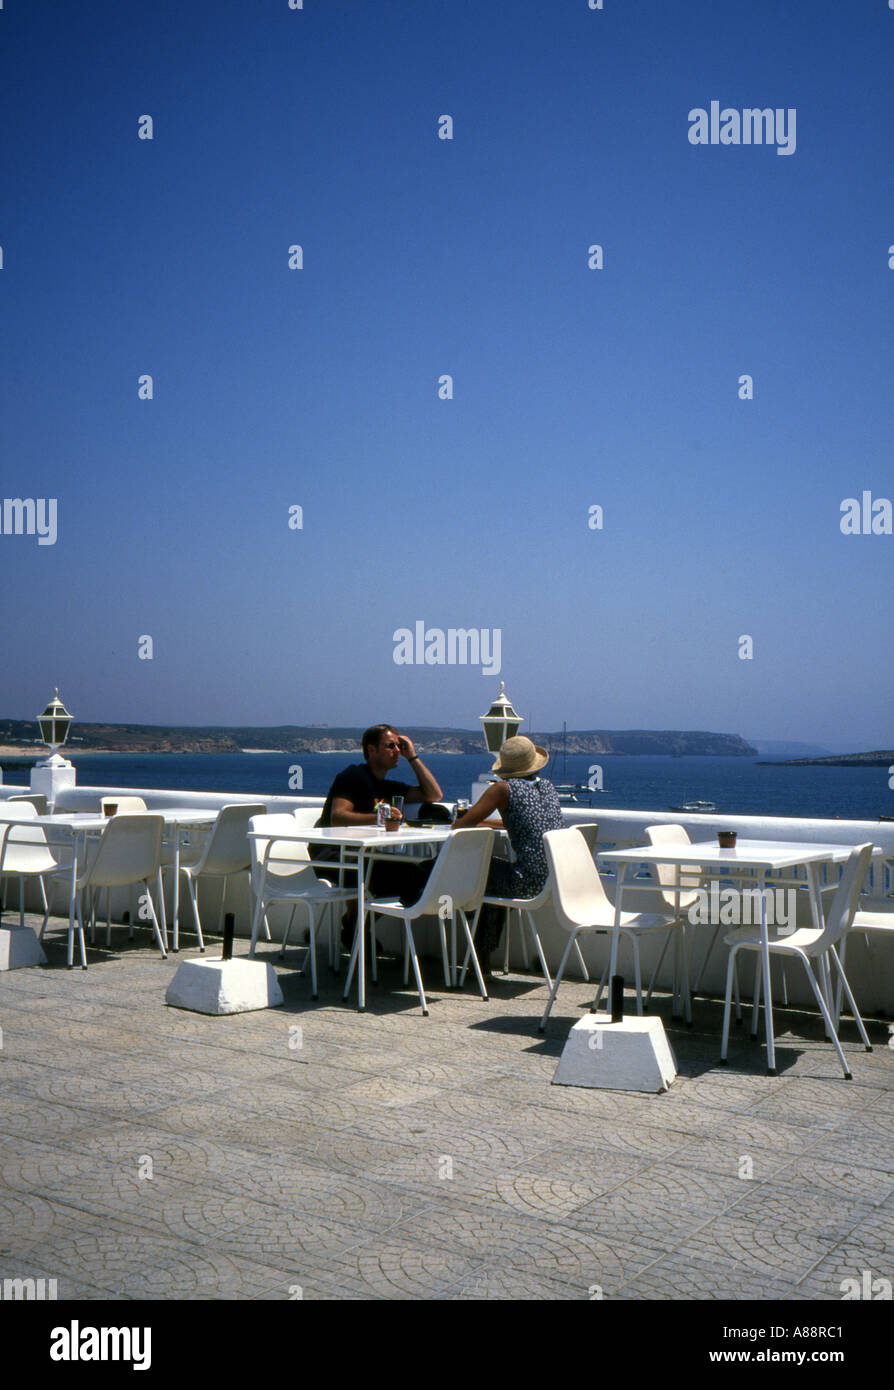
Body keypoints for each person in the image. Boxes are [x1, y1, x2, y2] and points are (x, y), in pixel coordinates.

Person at [314, 725, 444, 946]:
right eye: (390, 746)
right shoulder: (353, 775)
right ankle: (356, 928)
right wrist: (381, 818)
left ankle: (354, 926)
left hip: (361, 856)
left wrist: (412, 756)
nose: (396, 751)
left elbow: (434, 794)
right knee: (406, 877)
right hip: (332, 856)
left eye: (399, 746)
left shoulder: (386, 787)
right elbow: (338, 816)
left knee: (418, 875)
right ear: (372, 750)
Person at [452, 735, 563, 972]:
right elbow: (518, 823)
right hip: (555, 880)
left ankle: (472, 942)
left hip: (526, 883)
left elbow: (461, 825)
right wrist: (489, 824)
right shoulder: (547, 787)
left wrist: (466, 820)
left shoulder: (502, 789)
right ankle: (482, 958)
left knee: (477, 868)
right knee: (492, 880)